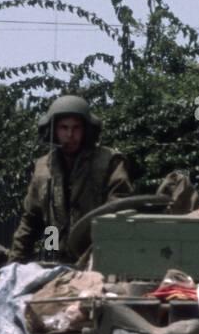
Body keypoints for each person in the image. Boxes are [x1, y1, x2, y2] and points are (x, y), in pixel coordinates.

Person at [8, 95, 132, 263]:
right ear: (54, 130)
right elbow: (31, 220)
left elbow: (118, 209)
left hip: (98, 258)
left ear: (86, 130)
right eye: (63, 127)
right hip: (55, 256)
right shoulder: (43, 168)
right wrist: (14, 264)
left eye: (76, 128)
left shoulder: (108, 161)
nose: (70, 134)